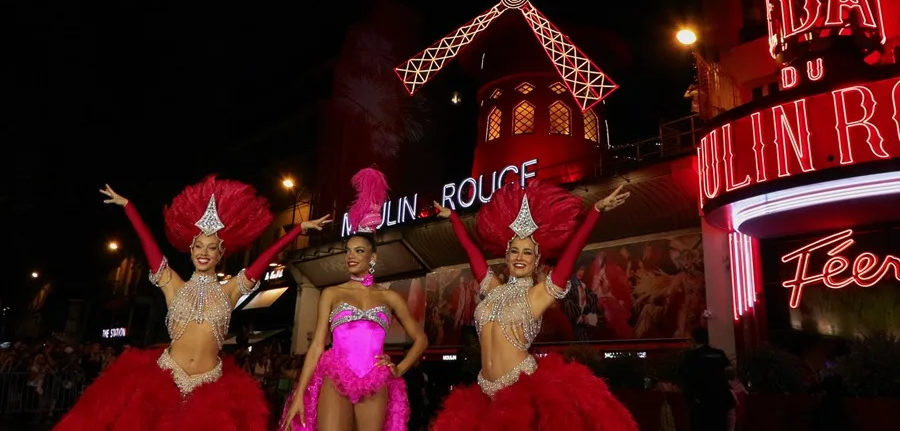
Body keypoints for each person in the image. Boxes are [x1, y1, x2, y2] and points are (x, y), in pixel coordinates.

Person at [56, 176, 332, 431]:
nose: (204, 252)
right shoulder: (172, 284)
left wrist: (298, 230)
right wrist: (129, 207)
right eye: (199, 246)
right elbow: (148, 245)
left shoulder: (231, 290)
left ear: (221, 253)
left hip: (210, 388)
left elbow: (260, 264)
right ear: (190, 250)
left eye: (211, 247)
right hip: (164, 379)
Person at [431, 180, 639, 430]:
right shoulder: (492, 288)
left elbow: (572, 252)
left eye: (527, 252)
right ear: (506, 255)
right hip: (484, 395)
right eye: (515, 251)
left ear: (537, 258)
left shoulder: (538, 295)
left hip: (520, 393)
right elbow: (471, 250)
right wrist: (453, 218)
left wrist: (596, 211)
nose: (520, 257)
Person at [281, 167, 428, 431]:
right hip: (335, 376)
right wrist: (299, 395)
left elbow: (421, 339)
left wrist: (399, 368)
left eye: (359, 251)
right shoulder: (332, 293)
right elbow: (316, 346)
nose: (351, 256)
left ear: (372, 259)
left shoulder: (389, 296)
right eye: (348, 251)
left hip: (374, 379)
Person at [680, 327, 735, 431]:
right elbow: (729, 372)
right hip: (720, 400)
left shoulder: (691, 356)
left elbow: (686, 377)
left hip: (701, 403)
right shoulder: (719, 354)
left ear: (694, 340)